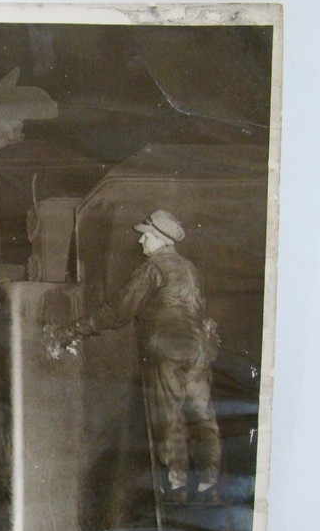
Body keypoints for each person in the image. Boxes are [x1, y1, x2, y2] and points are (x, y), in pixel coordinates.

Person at [54, 209, 221, 504]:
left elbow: (118, 312)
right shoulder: (190, 269)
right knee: (201, 414)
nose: (141, 240)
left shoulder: (152, 268)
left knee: (169, 415)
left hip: (168, 349)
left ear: (160, 239)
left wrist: (73, 329)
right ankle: (210, 484)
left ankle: (177, 486)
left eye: (146, 235)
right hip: (198, 351)